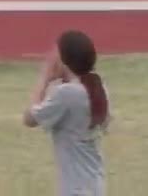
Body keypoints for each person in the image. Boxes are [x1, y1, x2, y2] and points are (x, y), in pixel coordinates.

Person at [23, 30, 110, 196]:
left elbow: (29, 119)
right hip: (95, 186)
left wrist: (44, 78)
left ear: (64, 61)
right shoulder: (98, 87)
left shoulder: (67, 94)